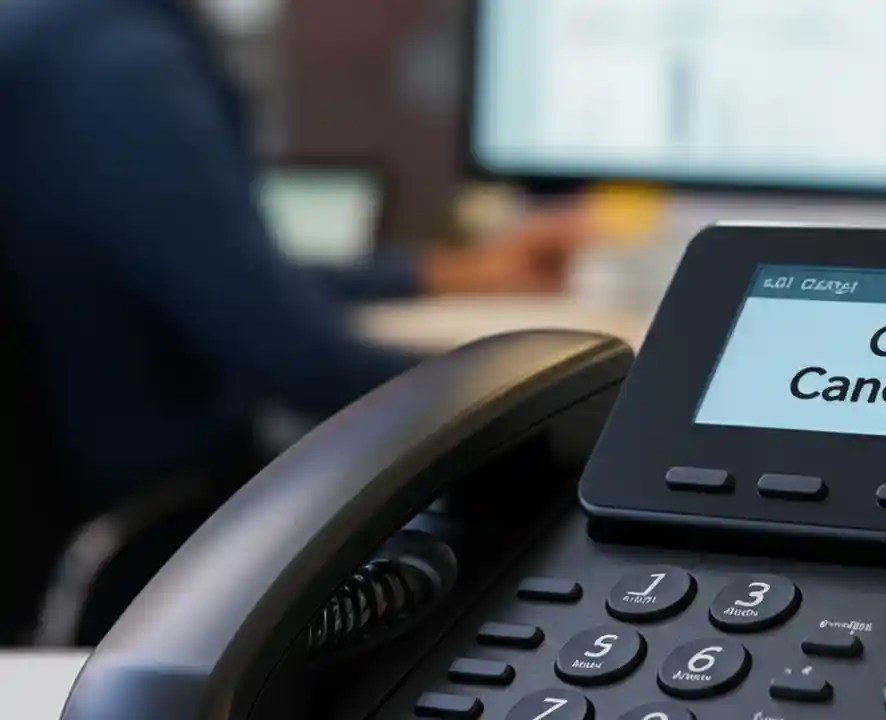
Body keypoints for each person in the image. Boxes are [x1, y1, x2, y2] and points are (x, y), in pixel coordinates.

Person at [0, 0, 587, 506]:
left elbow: (232, 277)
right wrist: (539, 398)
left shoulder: (60, 33)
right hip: (159, 518)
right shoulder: (118, 70)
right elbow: (298, 359)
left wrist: (444, 273)